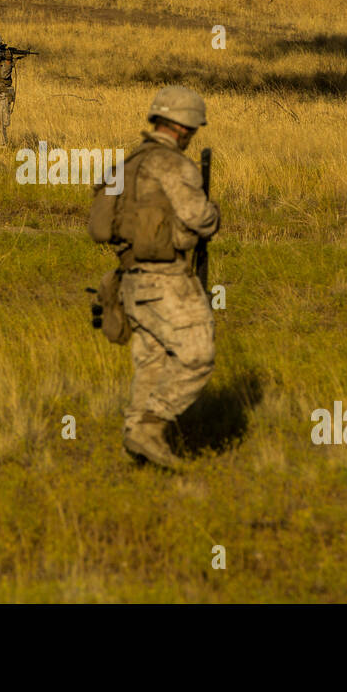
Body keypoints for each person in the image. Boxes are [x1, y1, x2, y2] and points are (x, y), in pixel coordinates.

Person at [114, 85, 220, 468]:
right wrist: (214, 214)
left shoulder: (131, 162)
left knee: (153, 361)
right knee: (197, 354)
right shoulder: (173, 165)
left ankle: (136, 443)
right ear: (183, 127)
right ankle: (150, 426)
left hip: (130, 281)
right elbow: (199, 218)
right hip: (166, 279)